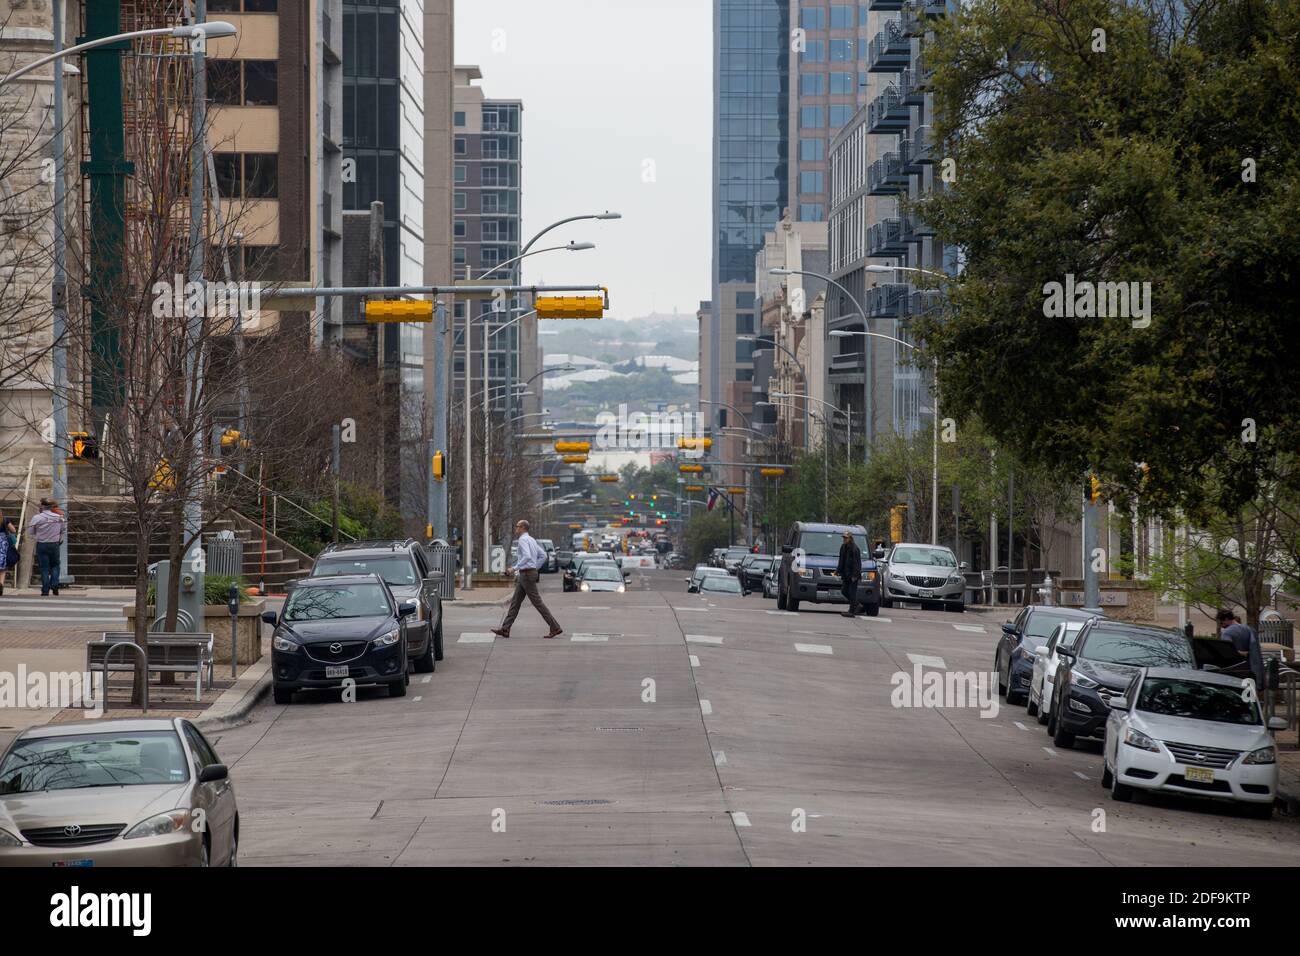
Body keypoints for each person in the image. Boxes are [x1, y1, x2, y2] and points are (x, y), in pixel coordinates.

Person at [493, 519, 563, 639]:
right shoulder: (532, 540)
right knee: (515, 602)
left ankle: (555, 627)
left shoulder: (522, 540)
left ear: (522, 528)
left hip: (526, 574)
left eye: (517, 526)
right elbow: (543, 555)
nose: (516, 528)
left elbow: (526, 556)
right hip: (527, 574)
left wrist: (514, 568)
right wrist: (535, 567)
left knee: (537, 603)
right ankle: (505, 629)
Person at [1216, 608, 1266, 693]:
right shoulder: (1249, 629)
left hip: (1234, 671)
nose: (1221, 625)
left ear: (1227, 619)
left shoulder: (1227, 633)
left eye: (1221, 622)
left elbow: (1227, 652)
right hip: (1250, 669)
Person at [29, 499, 67, 597]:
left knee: (44, 568)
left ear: (42, 506)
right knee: (55, 565)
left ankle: (45, 590)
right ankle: (54, 584)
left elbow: (31, 532)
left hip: (42, 544)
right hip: (54, 544)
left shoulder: (37, 518)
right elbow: (63, 529)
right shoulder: (59, 517)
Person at [836, 529, 862, 618]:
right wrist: (838, 570)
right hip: (846, 574)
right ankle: (857, 605)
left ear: (850, 538)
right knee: (844, 591)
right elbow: (841, 560)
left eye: (846, 538)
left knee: (852, 592)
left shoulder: (855, 549)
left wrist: (855, 575)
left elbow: (857, 563)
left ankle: (851, 611)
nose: (844, 539)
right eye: (844, 537)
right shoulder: (843, 547)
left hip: (853, 574)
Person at [0, 512, 17, 596]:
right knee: (3, 567)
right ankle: (1, 585)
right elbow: (13, 530)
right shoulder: (5, 519)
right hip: (3, 542)